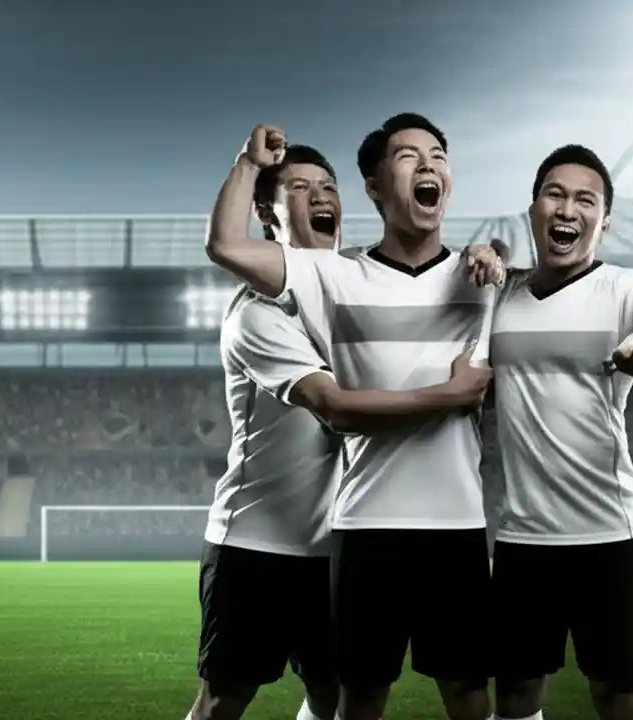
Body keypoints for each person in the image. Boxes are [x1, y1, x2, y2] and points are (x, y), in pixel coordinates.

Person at [205, 116, 504, 720]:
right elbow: (338, 408)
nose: (320, 196)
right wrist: (248, 163)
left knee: (335, 694)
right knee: (227, 697)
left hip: (339, 541)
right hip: (265, 542)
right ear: (268, 217)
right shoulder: (268, 309)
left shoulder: (356, 285)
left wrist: (490, 254)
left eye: (327, 186)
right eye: (299, 188)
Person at [487, 145, 633, 720]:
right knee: (514, 698)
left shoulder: (625, 288)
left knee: (617, 698)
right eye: (555, 194)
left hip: (608, 535)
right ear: (533, 209)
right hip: (522, 537)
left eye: (585, 200)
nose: (568, 208)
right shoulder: (502, 295)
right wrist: (480, 253)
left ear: (603, 221)